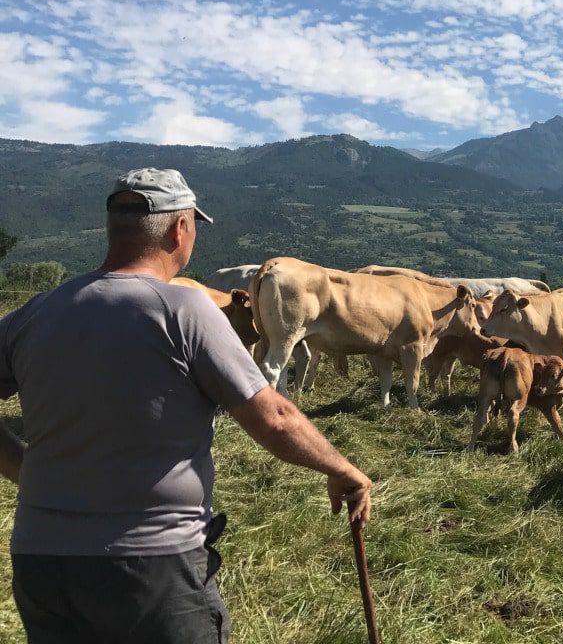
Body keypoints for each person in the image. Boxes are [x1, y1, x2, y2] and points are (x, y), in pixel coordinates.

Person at [0, 168, 373, 643]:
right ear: (180, 229)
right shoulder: (182, 310)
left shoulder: (37, 312)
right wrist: (343, 469)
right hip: (151, 567)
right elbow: (274, 419)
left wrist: (27, 470)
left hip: (42, 563)